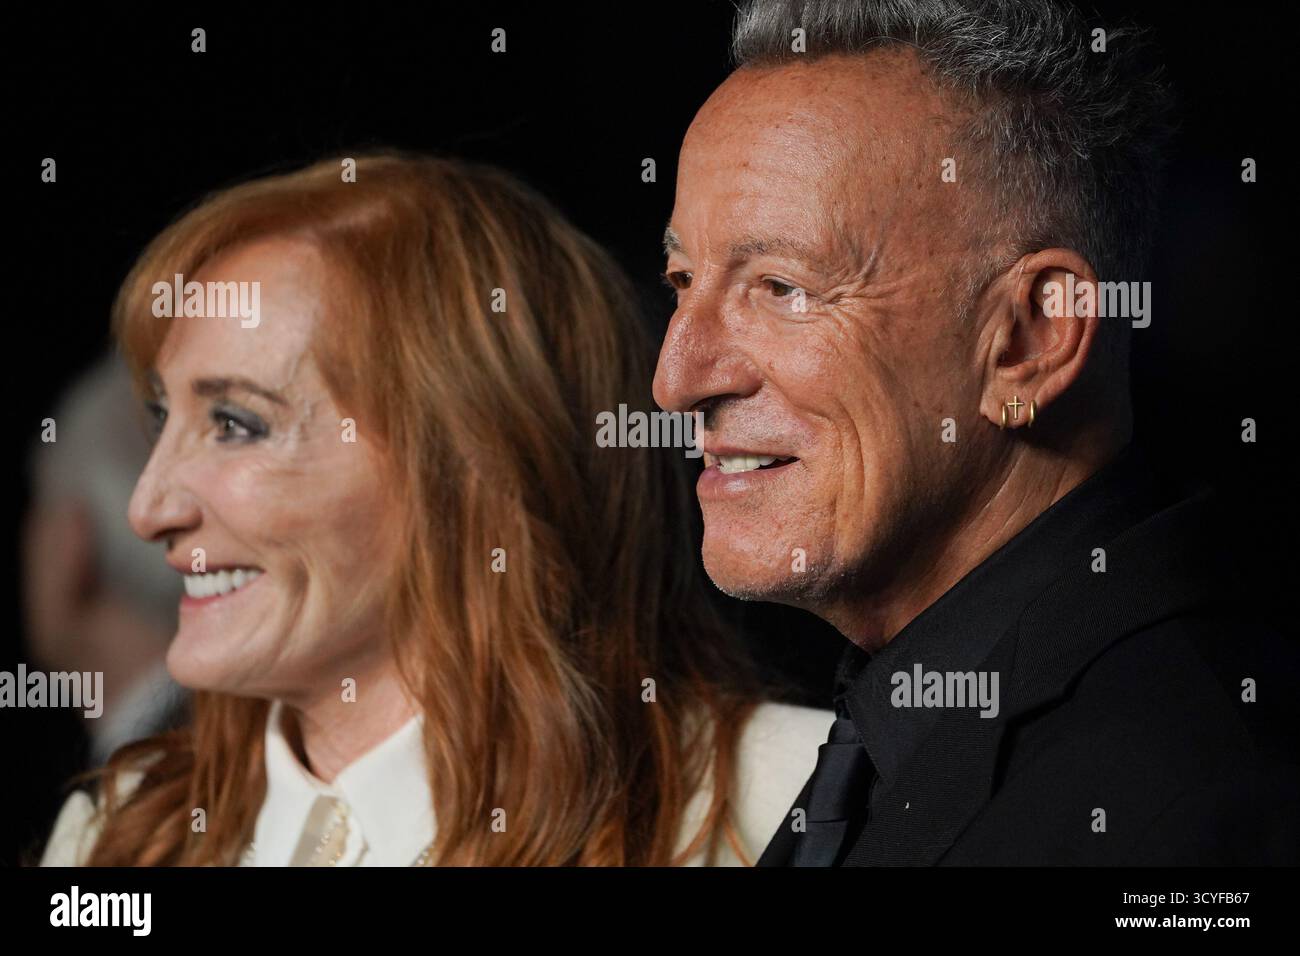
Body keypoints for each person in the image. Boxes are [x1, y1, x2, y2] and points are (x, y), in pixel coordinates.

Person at [40, 152, 832, 867]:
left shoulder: (796, 803)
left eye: (236, 424)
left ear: (472, 458)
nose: (150, 508)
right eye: (160, 421)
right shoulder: (112, 835)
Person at [653, 0, 1300, 865]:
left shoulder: (1187, 811)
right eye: (683, 278)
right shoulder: (914, 731)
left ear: (1031, 337)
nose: (676, 379)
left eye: (783, 287)